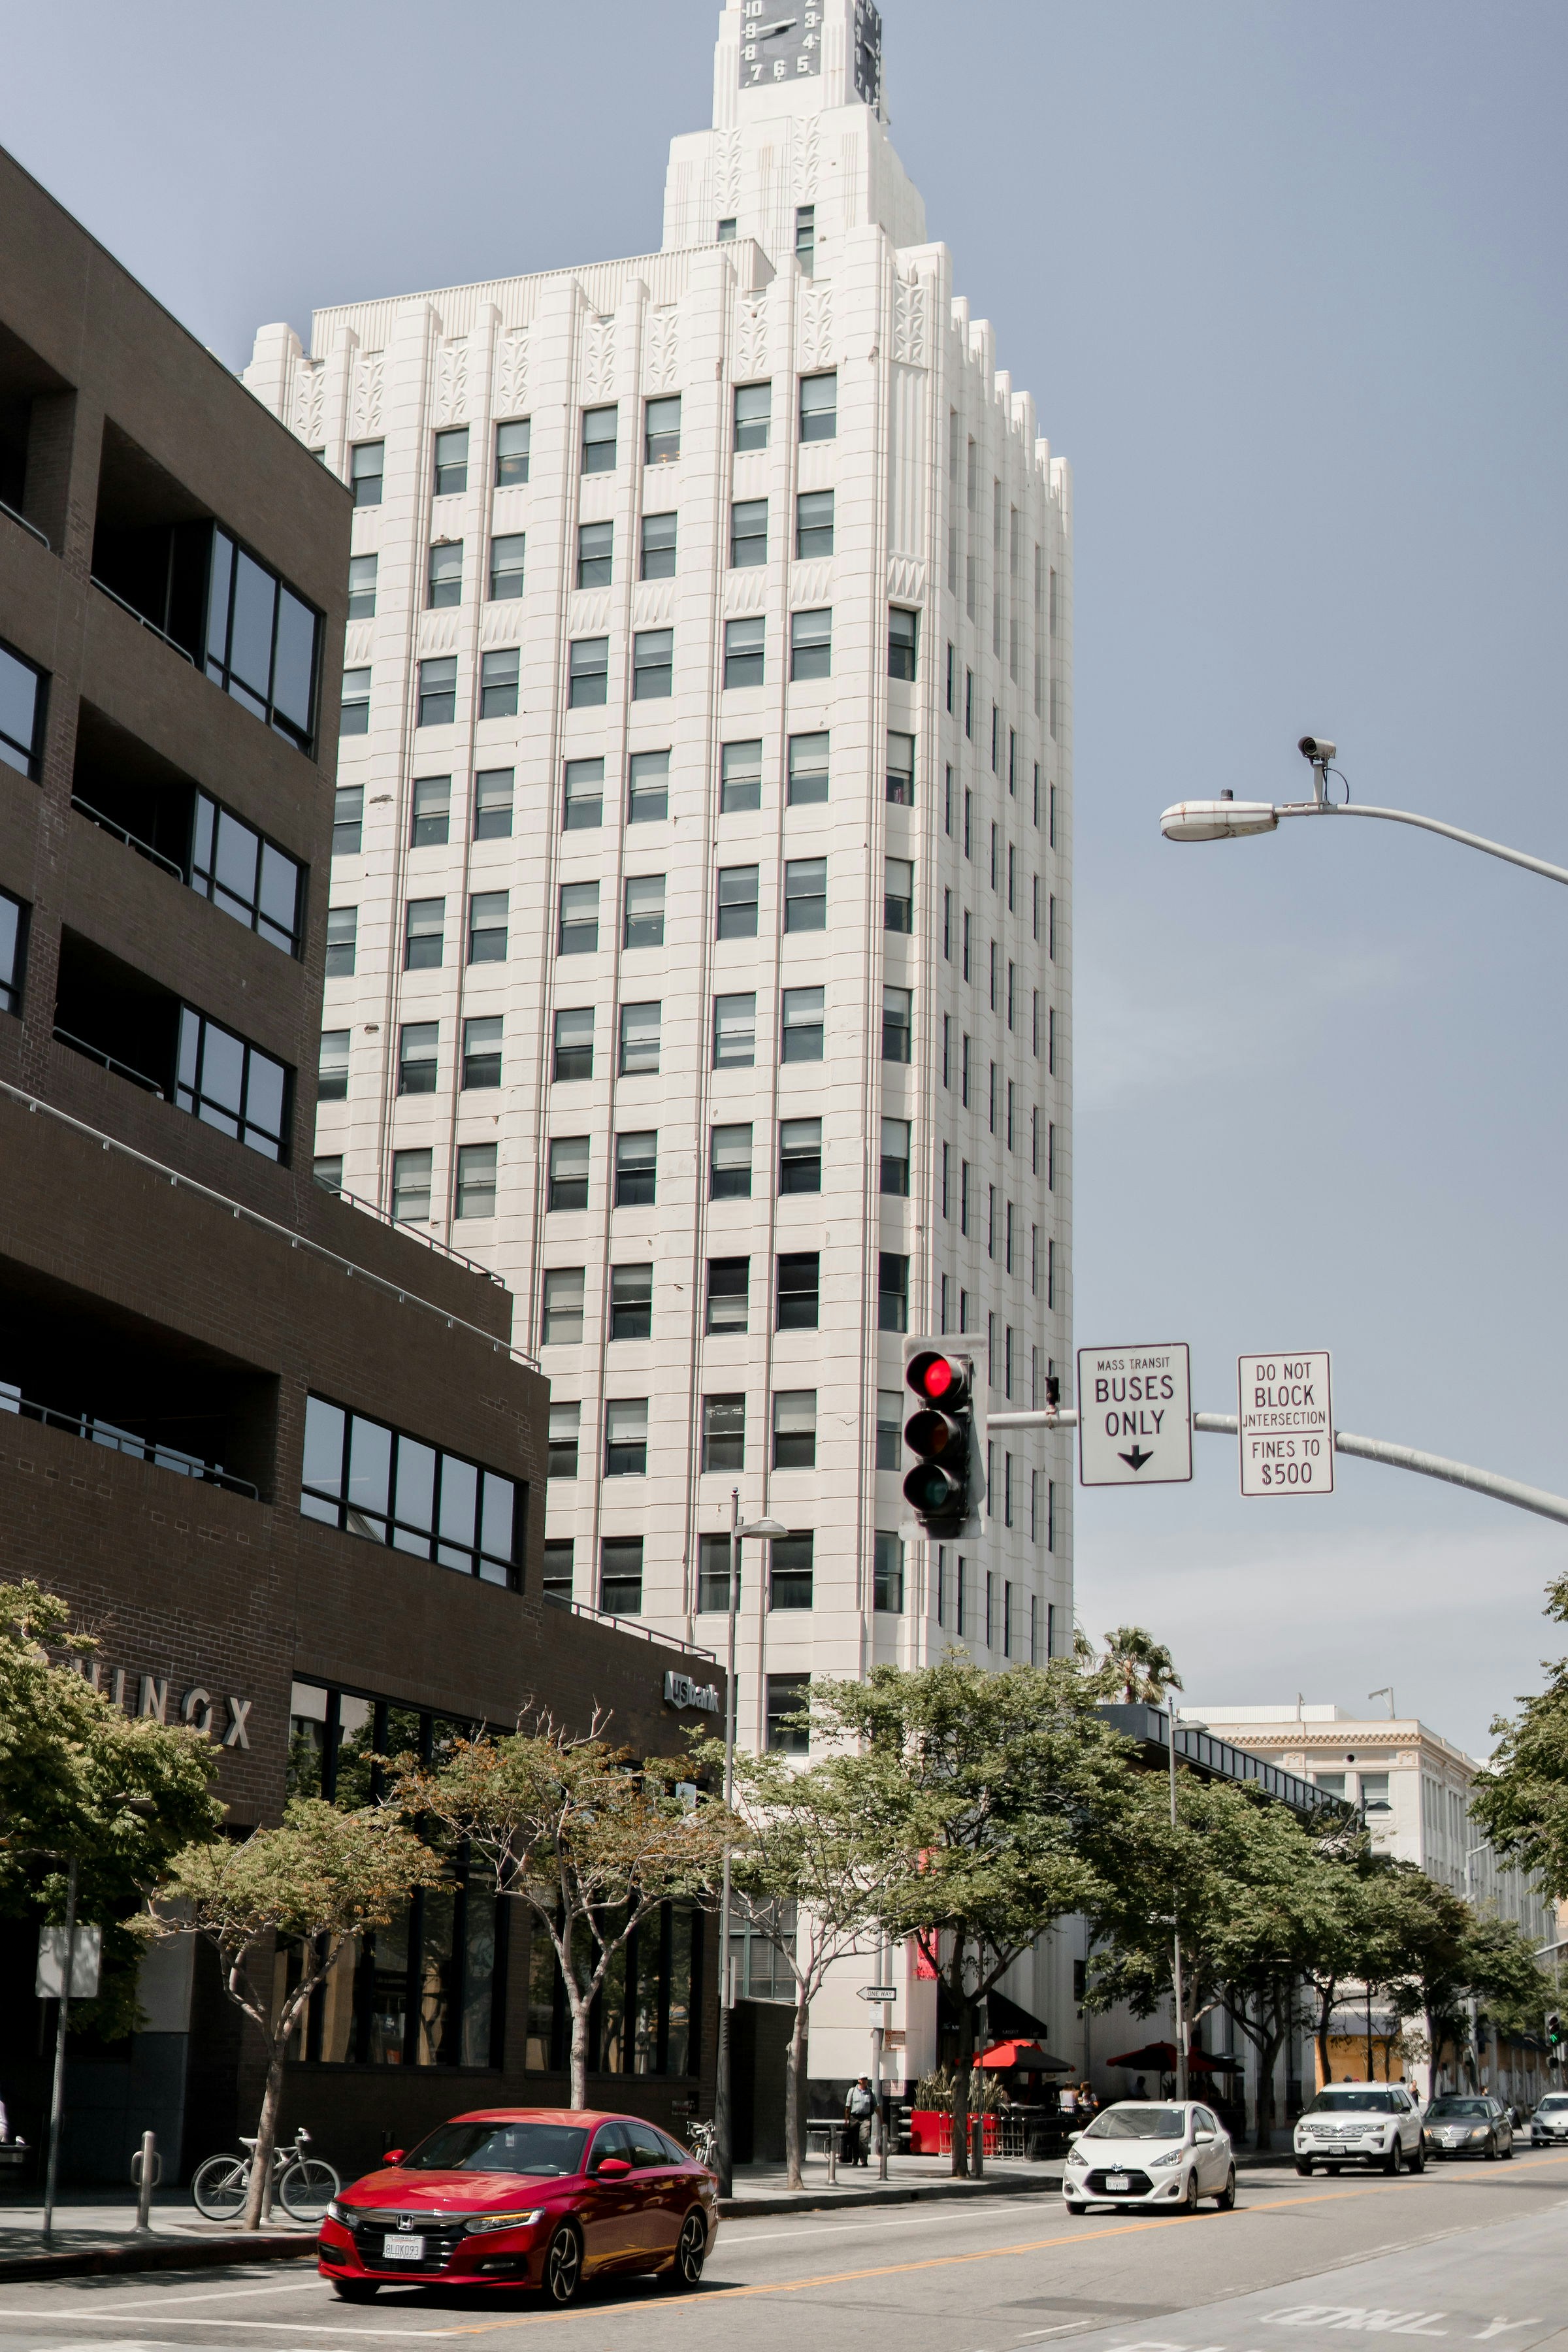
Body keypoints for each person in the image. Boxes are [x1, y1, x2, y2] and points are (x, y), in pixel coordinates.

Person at [844, 2075, 874, 2167]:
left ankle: (864, 2160)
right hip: (854, 2118)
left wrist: (881, 2120)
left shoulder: (870, 2092)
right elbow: (848, 2106)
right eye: (863, 2079)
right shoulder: (852, 2091)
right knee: (855, 2140)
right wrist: (846, 2119)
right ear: (859, 2080)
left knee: (864, 2139)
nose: (864, 2081)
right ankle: (855, 2159)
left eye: (866, 2079)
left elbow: (876, 2106)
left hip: (865, 2118)